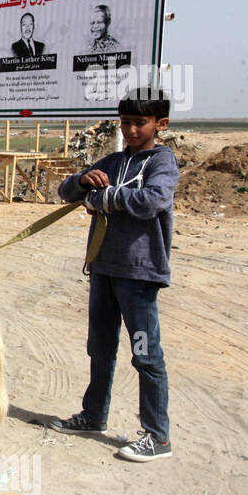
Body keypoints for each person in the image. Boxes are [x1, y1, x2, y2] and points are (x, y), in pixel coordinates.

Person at [52, 88, 178, 462]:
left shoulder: (162, 162)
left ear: (161, 124)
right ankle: (94, 416)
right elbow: (66, 191)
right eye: (126, 123)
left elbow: (152, 200)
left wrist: (105, 199)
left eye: (141, 122)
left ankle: (158, 437)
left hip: (138, 275)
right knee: (101, 348)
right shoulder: (113, 161)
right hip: (104, 269)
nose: (132, 129)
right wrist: (83, 182)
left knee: (146, 355)